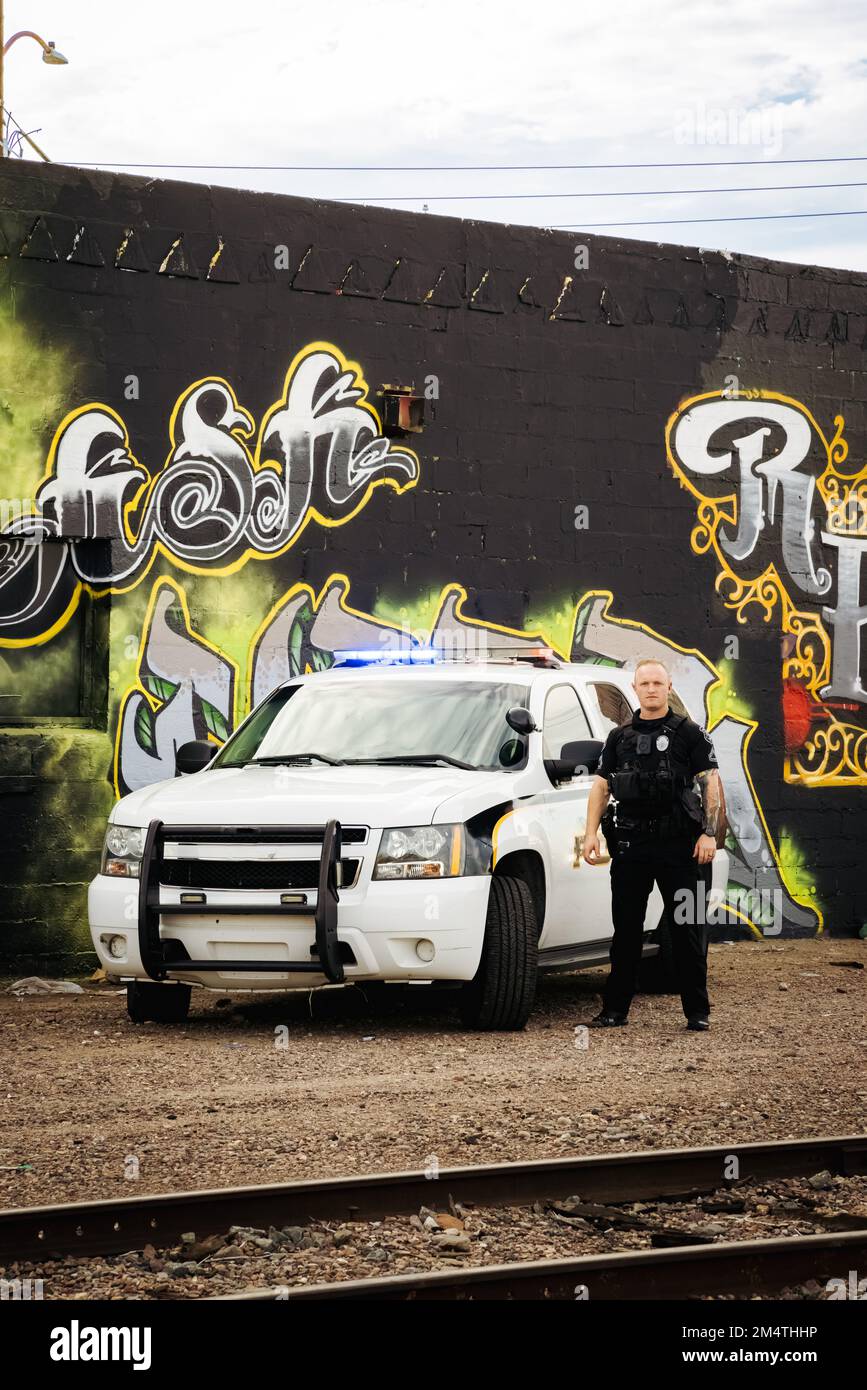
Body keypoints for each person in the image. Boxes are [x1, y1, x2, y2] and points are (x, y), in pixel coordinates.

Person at [582, 657, 724, 1032]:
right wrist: (591, 832)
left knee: (686, 928)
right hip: (632, 847)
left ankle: (697, 1012)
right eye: (644, 684)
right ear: (635, 689)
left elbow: (709, 781)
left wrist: (709, 832)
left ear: (668, 687)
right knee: (626, 931)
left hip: (681, 847)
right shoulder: (618, 738)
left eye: (657, 683)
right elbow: (601, 785)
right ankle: (615, 1011)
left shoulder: (690, 733)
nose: (650, 689)